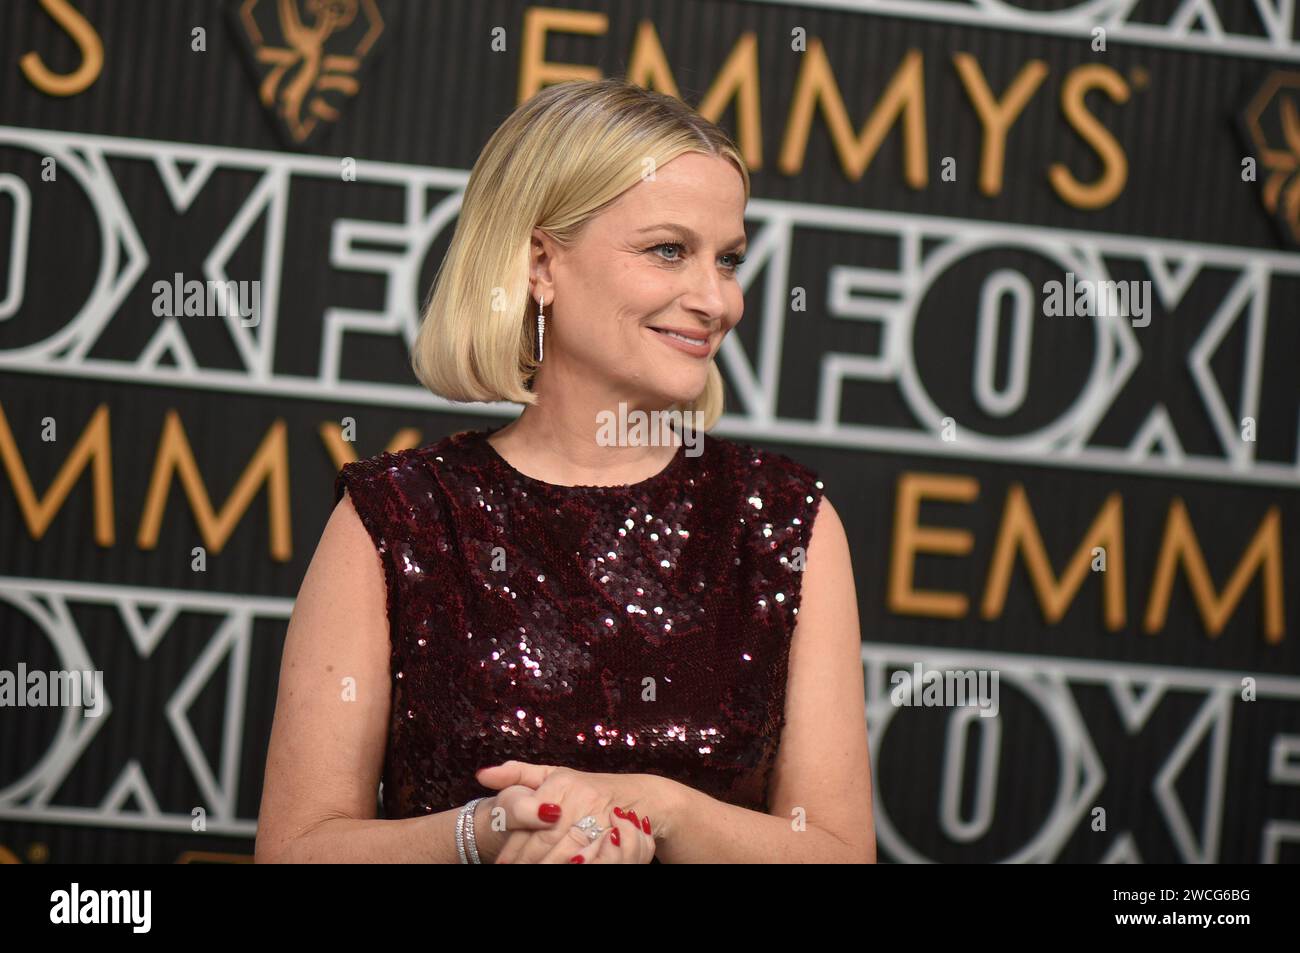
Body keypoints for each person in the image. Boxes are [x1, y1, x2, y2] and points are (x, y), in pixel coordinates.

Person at [254, 77, 874, 863]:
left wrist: (654, 809)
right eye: (669, 251)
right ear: (542, 263)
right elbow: (296, 851)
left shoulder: (783, 521)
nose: (717, 300)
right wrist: (491, 831)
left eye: (729, 260)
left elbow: (838, 852)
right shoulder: (399, 516)